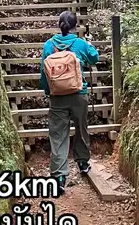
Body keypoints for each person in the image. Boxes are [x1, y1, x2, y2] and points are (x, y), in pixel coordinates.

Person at [40, 11, 99, 193]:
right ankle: (82, 163)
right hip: (79, 94)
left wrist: (49, 92)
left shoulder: (49, 45)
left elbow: (43, 72)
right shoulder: (80, 43)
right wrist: (90, 45)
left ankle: (59, 176)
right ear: (75, 26)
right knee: (81, 128)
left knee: (58, 135)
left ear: (59, 25)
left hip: (57, 96)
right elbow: (94, 58)